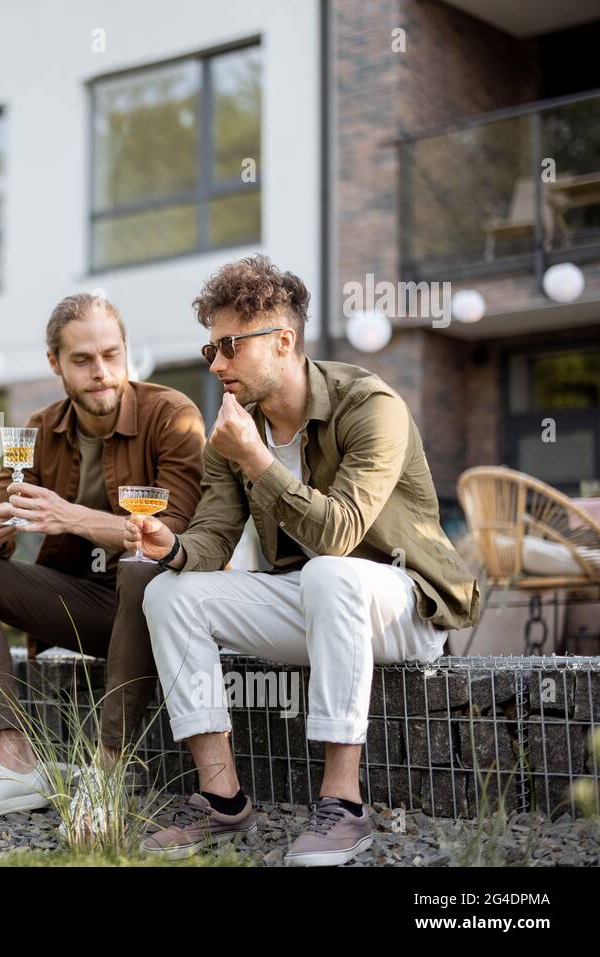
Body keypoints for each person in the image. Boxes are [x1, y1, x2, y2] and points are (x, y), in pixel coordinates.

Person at [126, 255, 480, 865]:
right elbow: (212, 536)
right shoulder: (235, 434)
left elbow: (341, 533)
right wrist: (174, 547)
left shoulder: (370, 405)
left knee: (330, 571)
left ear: (283, 340)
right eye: (209, 349)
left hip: (402, 606)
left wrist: (258, 462)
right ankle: (222, 799)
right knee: (167, 592)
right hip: (311, 601)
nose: (216, 365)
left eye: (229, 346)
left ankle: (342, 805)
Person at [0, 292, 205, 825]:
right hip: (84, 610)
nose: (101, 372)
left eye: (111, 354)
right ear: (55, 363)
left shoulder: (171, 414)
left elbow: (177, 534)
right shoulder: (39, 429)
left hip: (164, 610)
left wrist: (71, 516)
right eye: (82, 360)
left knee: (140, 565)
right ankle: (13, 766)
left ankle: (109, 769)